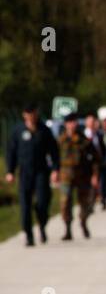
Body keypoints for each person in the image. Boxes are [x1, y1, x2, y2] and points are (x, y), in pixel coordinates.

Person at [5, 103, 59, 246]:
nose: (31, 116)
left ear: (36, 114)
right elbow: (11, 152)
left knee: (42, 202)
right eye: (28, 113)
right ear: (24, 115)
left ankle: (42, 225)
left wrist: (55, 169)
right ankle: (28, 235)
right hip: (25, 172)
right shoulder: (18, 131)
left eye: (33, 113)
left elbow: (54, 151)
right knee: (25, 205)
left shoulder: (44, 130)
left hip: (41, 171)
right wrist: (10, 171)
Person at [54, 112, 100, 240]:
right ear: (66, 124)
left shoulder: (84, 140)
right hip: (66, 176)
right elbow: (55, 158)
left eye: (74, 122)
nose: (73, 125)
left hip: (82, 176)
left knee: (85, 204)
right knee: (65, 203)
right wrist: (54, 172)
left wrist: (95, 175)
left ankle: (83, 222)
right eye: (70, 122)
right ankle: (68, 229)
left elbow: (96, 159)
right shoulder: (60, 140)